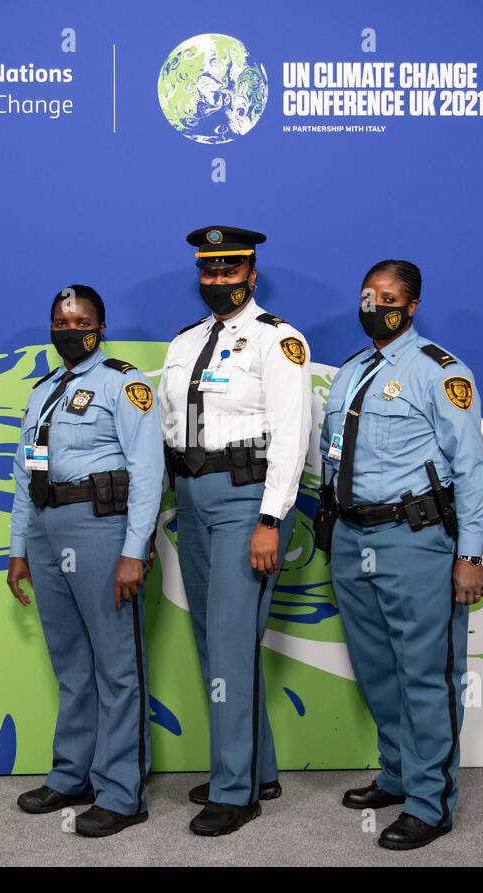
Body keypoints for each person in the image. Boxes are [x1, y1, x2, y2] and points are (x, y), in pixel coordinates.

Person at [315, 259, 483, 850]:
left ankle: (431, 802)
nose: (374, 305)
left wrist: (469, 553)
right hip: (351, 538)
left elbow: (469, 469)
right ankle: (397, 775)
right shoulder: (350, 371)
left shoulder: (440, 373)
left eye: (387, 297)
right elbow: (334, 454)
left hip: (414, 540)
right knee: (377, 669)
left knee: (427, 673)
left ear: (411, 306)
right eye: (367, 295)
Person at [159, 226, 312, 836]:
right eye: (208, 272)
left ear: (251, 274)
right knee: (215, 637)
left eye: (229, 272)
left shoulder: (278, 341)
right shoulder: (184, 341)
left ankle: (234, 789)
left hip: (248, 501)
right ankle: (257, 768)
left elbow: (292, 433)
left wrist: (271, 518)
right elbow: (172, 423)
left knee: (227, 638)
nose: (217, 282)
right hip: (192, 499)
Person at [7, 284, 164, 838]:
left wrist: (132, 549)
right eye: (60, 321)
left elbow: (148, 472)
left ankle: (123, 792)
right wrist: (18, 549)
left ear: (101, 324)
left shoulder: (125, 384)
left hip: (101, 529)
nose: (69, 329)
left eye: (81, 320)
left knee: (117, 665)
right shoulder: (43, 392)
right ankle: (73, 774)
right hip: (48, 530)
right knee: (72, 664)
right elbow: (26, 474)